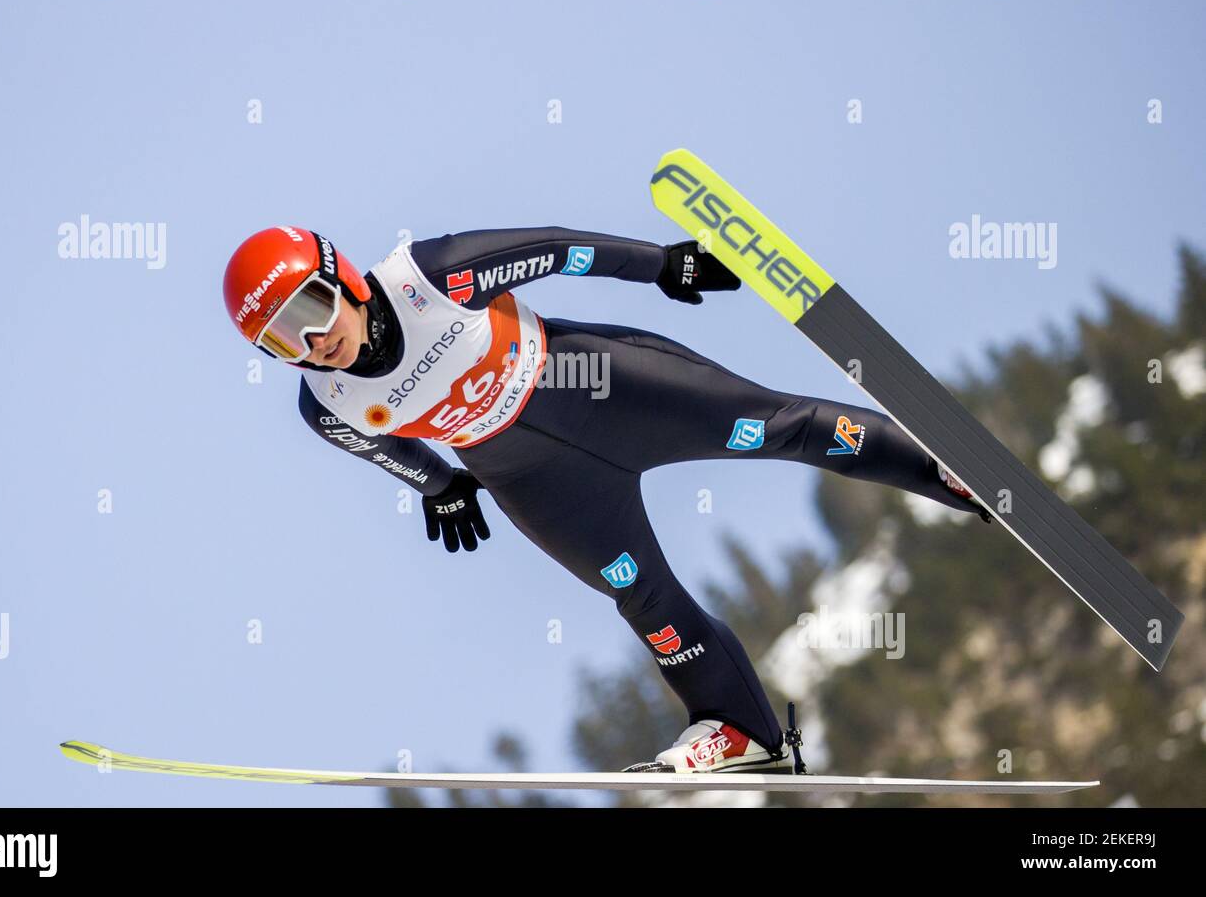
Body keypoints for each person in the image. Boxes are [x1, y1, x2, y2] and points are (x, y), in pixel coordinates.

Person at [223, 225, 985, 773]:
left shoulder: (429, 276)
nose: (313, 342)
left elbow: (558, 249)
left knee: (774, 429)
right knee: (640, 592)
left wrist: (659, 266)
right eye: (283, 341)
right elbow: (384, 448)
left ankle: (942, 469)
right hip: (532, 478)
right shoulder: (325, 404)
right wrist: (442, 486)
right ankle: (740, 729)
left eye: (311, 310)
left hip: (598, 386)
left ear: (343, 275)